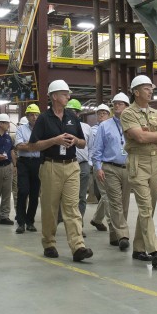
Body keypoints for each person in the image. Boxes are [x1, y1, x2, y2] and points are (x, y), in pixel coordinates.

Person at [27, 80, 93, 262]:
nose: (68, 97)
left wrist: (75, 141)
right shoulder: (43, 119)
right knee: (50, 208)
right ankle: (49, 243)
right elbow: (33, 145)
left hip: (72, 166)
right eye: (65, 94)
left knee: (72, 207)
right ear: (54, 96)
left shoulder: (72, 117)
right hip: (51, 166)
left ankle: (78, 246)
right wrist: (54, 141)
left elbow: (83, 142)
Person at [120, 75, 157, 267]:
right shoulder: (127, 113)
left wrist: (150, 134)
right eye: (146, 88)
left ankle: (139, 249)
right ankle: (155, 250)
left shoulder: (156, 113)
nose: (151, 91)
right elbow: (139, 138)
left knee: (150, 207)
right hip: (138, 162)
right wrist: (155, 135)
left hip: (156, 160)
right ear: (136, 92)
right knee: (145, 207)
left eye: (151, 88)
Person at [91, 94, 131, 251]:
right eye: (115, 103)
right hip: (110, 167)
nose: (117, 106)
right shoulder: (104, 126)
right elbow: (97, 149)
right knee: (115, 202)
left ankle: (115, 235)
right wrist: (98, 167)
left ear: (127, 106)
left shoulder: (132, 125)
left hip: (128, 168)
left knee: (124, 203)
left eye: (121, 103)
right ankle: (123, 235)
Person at [14, 106, 42, 234]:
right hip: (24, 163)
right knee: (23, 191)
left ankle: (30, 222)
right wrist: (36, 146)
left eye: (36, 115)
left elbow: (45, 146)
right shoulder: (21, 129)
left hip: (38, 163)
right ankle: (21, 222)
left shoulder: (42, 129)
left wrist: (28, 145)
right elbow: (19, 146)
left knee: (34, 194)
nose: (34, 117)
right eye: (31, 115)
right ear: (27, 116)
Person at [67, 99, 92, 232]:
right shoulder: (62, 126)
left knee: (81, 197)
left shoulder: (86, 128)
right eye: (70, 111)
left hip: (83, 165)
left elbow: (91, 146)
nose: (73, 114)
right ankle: (66, 222)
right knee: (67, 197)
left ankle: (78, 226)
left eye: (75, 112)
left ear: (78, 114)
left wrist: (89, 162)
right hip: (67, 164)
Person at [88, 104, 111, 232]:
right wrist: (94, 165)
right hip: (99, 165)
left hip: (112, 165)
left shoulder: (113, 128)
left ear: (109, 115)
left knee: (106, 195)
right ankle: (114, 225)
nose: (101, 114)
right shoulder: (92, 130)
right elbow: (91, 148)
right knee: (107, 195)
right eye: (99, 113)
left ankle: (97, 220)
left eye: (104, 112)